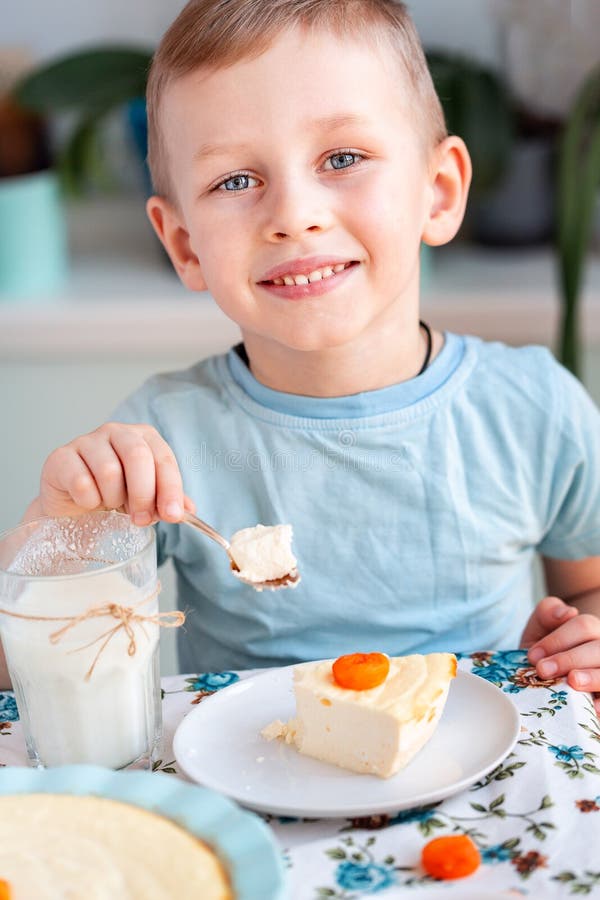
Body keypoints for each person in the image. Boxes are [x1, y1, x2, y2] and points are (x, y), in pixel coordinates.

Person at [11, 0, 600, 709]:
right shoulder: (162, 444)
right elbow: (25, 675)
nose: (293, 215)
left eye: (342, 159)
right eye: (235, 180)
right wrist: (60, 532)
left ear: (437, 192)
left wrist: (585, 637)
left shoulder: (535, 408)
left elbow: (588, 587)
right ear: (186, 245)